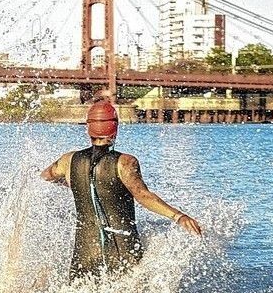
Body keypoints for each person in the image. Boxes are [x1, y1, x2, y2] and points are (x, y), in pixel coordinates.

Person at [41, 99, 203, 279]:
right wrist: (178, 216)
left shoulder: (68, 160)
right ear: (115, 129)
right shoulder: (125, 162)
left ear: (89, 128)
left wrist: (73, 183)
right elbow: (143, 196)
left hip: (84, 254)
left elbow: (46, 176)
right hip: (122, 251)